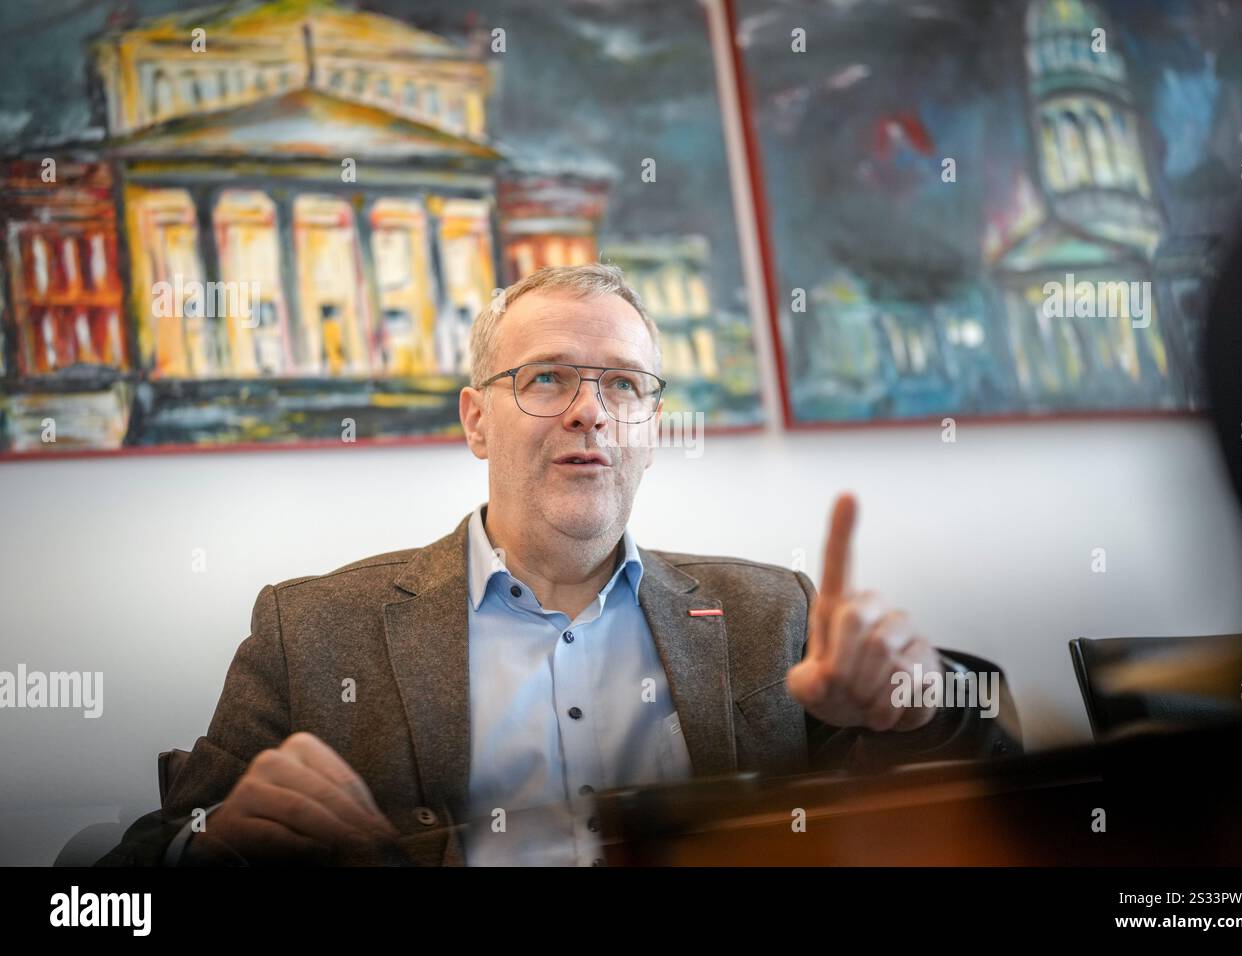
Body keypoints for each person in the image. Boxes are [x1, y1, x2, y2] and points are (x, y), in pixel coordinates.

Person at [98, 264, 1018, 867]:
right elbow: (109, 890)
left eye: (624, 384)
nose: (591, 411)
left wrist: (920, 708)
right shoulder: (311, 629)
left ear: (651, 430)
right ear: (473, 420)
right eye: (547, 378)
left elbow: (993, 820)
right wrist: (205, 847)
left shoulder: (772, 614)